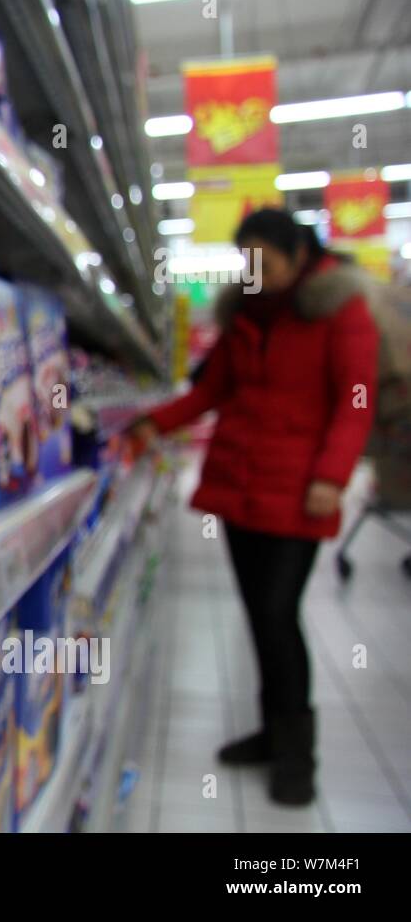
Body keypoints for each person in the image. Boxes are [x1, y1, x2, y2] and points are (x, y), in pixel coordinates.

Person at [131, 209, 380, 806]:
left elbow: (355, 401)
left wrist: (332, 476)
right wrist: (152, 423)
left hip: (298, 491)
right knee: (258, 618)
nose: (253, 272)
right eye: (246, 261)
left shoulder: (340, 313)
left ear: (300, 258)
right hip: (240, 486)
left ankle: (298, 757)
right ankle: (272, 734)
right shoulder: (242, 312)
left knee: (277, 616)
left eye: (264, 262)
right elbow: (214, 391)